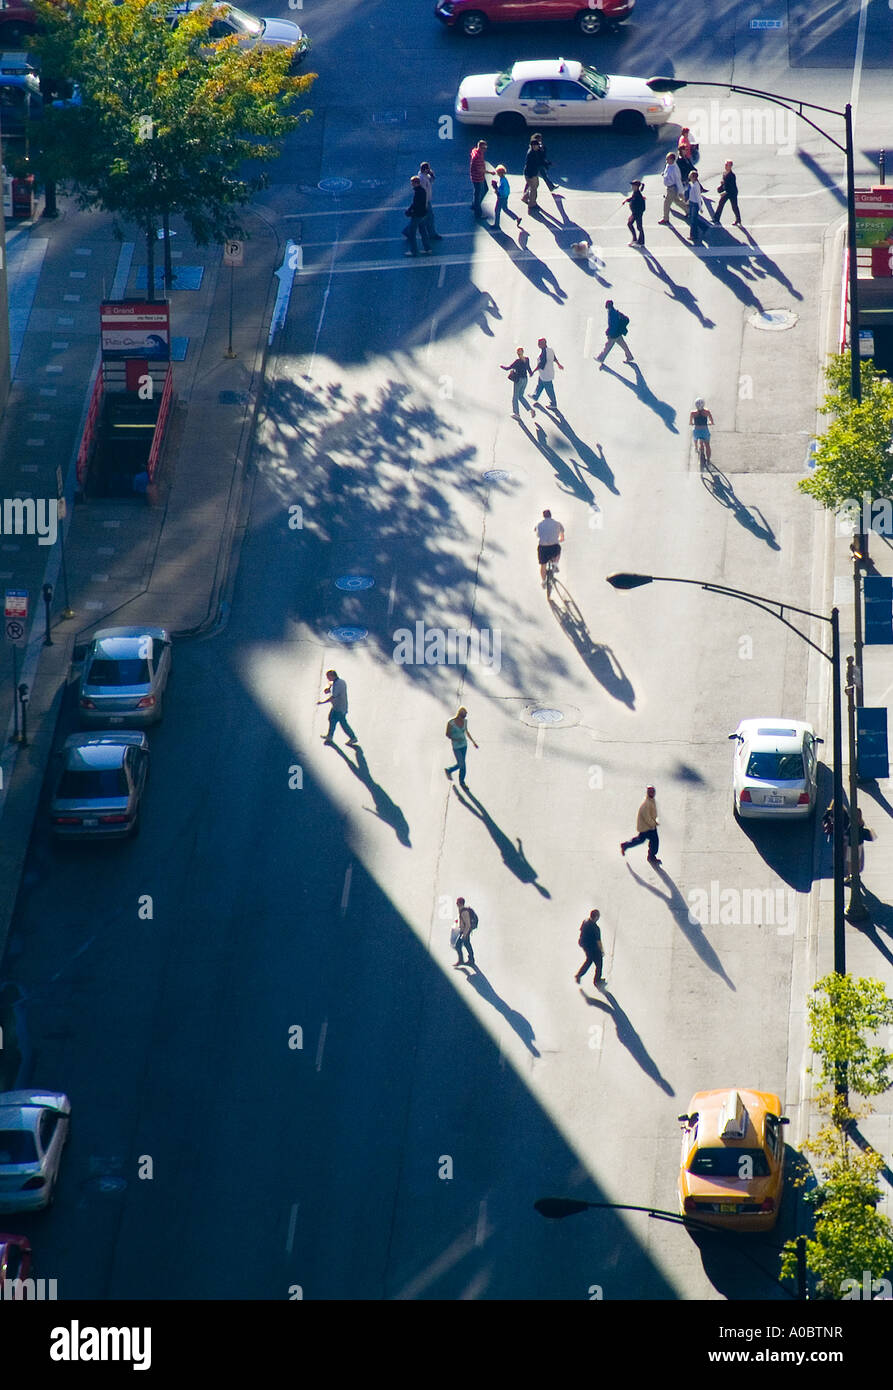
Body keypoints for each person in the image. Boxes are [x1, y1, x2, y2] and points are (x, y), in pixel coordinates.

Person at [620, 786, 661, 865]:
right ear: (648, 793)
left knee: (645, 840)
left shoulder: (651, 800)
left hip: (650, 826)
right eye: (651, 792)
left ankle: (625, 845)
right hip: (647, 827)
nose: (652, 793)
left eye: (653, 791)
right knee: (651, 841)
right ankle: (651, 856)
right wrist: (654, 824)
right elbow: (647, 818)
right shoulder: (646, 804)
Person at [318, 670, 359, 747]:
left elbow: (333, 697)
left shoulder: (338, 685)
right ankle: (329, 736)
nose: (327, 678)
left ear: (332, 676)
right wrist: (328, 688)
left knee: (343, 723)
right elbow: (330, 684)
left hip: (339, 708)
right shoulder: (339, 681)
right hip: (337, 707)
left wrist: (322, 702)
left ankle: (353, 737)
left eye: (328, 677)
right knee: (331, 719)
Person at [445, 707, 478, 787]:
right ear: (459, 715)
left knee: (461, 763)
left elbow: (466, 731)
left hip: (464, 745)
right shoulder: (451, 723)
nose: (463, 719)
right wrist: (456, 738)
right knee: (462, 764)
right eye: (462, 716)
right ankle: (462, 782)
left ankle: (450, 770)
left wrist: (473, 742)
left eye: (464, 716)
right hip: (456, 746)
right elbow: (447, 734)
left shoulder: (465, 721)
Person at [596, 300, 634, 367]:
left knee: (607, 346)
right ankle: (629, 357)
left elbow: (613, 325)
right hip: (618, 333)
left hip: (614, 334)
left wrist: (609, 333)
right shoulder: (615, 312)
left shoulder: (612, 313)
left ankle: (600, 358)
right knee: (624, 346)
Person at [501, 346, 535, 419]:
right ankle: (530, 410)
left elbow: (508, 368)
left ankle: (516, 413)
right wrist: (531, 373)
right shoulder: (527, 359)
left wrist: (501, 366)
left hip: (518, 381)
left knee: (515, 397)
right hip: (525, 380)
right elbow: (529, 368)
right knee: (521, 396)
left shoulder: (517, 361)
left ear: (518, 353)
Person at [535, 508, 564, 587]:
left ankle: (543, 581)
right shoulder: (558, 524)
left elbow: (537, 535)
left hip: (543, 548)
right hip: (553, 547)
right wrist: (559, 539)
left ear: (543, 516)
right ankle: (555, 564)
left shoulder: (539, 524)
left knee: (543, 565)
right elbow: (562, 537)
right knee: (558, 549)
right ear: (551, 515)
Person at [532, 336, 564, 409]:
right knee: (540, 383)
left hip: (546, 375)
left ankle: (553, 403)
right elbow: (554, 358)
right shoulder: (550, 350)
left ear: (543, 344)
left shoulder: (544, 353)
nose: (538, 345)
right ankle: (535, 396)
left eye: (539, 343)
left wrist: (533, 371)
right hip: (547, 373)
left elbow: (541, 365)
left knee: (549, 390)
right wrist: (559, 364)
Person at [574, 909, 604, 986]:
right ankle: (597, 980)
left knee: (589, 961)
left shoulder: (585, 921)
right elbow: (598, 941)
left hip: (584, 945)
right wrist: (602, 950)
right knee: (599, 963)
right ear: (596, 917)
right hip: (593, 947)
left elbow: (581, 930)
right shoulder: (596, 928)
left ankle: (579, 975)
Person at [404, 175, 432, 256]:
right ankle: (428, 248)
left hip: (417, 215)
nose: (411, 184)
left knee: (412, 233)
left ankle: (414, 251)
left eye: (412, 183)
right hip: (423, 214)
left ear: (416, 183)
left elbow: (416, 205)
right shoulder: (422, 190)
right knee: (423, 231)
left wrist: (410, 212)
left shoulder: (417, 192)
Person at [491, 164, 522, 231]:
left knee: (497, 210)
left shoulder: (502, 181)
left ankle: (496, 225)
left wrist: (496, 188)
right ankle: (517, 218)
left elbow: (501, 190)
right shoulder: (504, 179)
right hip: (505, 196)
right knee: (505, 209)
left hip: (501, 197)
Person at [658, 151, 686, 224]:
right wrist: (664, 175)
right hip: (669, 188)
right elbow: (667, 173)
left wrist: (680, 191)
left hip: (672, 188)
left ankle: (665, 218)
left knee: (666, 203)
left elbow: (678, 180)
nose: (666, 160)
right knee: (677, 201)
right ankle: (688, 210)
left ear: (672, 160)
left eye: (668, 159)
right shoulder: (668, 165)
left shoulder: (674, 169)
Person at [418, 161, 443, 240]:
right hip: (425, 201)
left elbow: (431, 181)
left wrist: (432, 175)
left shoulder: (424, 176)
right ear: (425, 170)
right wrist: (425, 204)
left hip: (425, 201)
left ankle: (408, 231)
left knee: (421, 218)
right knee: (429, 218)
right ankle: (432, 234)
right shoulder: (422, 179)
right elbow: (423, 193)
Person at [713, 160, 742, 226]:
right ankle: (716, 218)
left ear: (730, 166)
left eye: (727, 165)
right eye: (725, 165)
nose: (725, 166)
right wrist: (721, 187)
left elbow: (731, 187)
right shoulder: (724, 173)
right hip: (726, 192)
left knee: (734, 206)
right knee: (721, 203)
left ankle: (738, 220)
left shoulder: (732, 176)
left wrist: (724, 193)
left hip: (732, 192)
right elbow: (724, 184)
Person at [453, 897, 477, 968]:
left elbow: (468, 924)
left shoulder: (464, 912)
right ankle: (470, 960)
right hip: (464, 931)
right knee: (466, 945)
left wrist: (464, 934)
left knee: (459, 945)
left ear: (460, 903)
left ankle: (465, 960)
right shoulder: (461, 910)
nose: (456, 903)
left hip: (465, 932)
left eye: (457, 902)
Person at [470, 140, 490, 219]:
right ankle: (478, 212)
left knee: (484, 190)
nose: (485, 149)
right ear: (480, 148)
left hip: (479, 176)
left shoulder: (476, 152)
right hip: (478, 178)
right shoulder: (477, 157)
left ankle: (475, 204)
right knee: (478, 194)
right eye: (484, 148)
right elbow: (480, 169)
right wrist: (489, 172)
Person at [622, 179, 646, 246]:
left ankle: (641, 242)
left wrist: (635, 214)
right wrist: (627, 200)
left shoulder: (638, 195)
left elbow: (642, 206)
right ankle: (635, 239)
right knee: (630, 224)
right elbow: (632, 198)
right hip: (635, 213)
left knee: (639, 227)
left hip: (637, 213)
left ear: (636, 186)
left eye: (633, 186)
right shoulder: (635, 193)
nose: (632, 187)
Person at [684, 170, 705, 244]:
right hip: (692, 203)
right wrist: (688, 201)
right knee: (694, 219)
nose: (689, 176)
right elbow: (691, 195)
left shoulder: (696, 186)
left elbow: (698, 197)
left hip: (695, 204)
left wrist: (700, 207)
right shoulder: (692, 184)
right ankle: (704, 227)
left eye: (690, 175)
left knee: (693, 220)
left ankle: (693, 235)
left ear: (693, 177)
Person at [522, 139, 541, 210]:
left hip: (533, 173)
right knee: (534, 189)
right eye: (537, 145)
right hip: (531, 174)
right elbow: (530, 165)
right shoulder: (531, 154)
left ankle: (525, 197)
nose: (538, 146)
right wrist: (530, 175)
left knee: (535, 185)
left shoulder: (534, 151)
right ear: (533, 146)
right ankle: (532, 204)